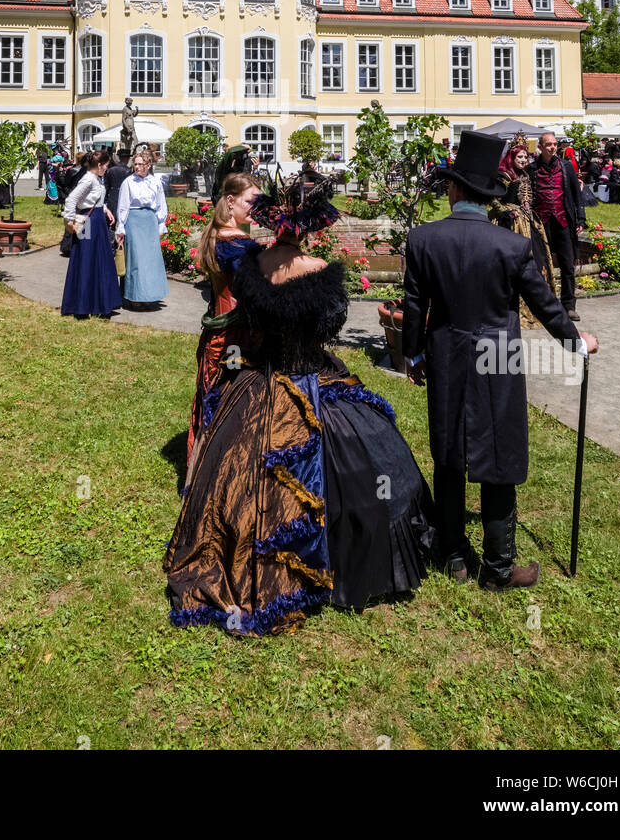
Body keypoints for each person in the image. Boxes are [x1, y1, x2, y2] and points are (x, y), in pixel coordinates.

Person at [165, 172, 435, 635]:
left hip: (257, 380)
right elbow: (328, 329)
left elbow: (246, 317)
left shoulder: (254, 265)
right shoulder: (320, 273)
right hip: (310, 374)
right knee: (365, 461)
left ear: (274, 221)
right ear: (311, 227)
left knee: (233, 473)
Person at [403, 130, 598, 591]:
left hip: (446, 353)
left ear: (453, 189)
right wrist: (576, 343)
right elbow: (547, 303)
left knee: (448, 451)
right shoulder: (511, 246)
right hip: (499, 357)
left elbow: (414, 305)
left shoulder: (424, 239)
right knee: (499, 454)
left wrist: (412, 354)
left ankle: (453, 553)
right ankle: (498, 567)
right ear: (489, 194)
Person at [186, 172, 264, 464]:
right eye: (250, 201)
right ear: (230, 201)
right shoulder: (237, 245)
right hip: (235, 338)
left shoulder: (216, 232)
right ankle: (223, 476)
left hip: (217, 337)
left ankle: (207, 471)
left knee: (217, 399)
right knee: (232, 400)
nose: (255, 208)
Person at [490, 134, 558, 325]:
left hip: (527, 221)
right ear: (511, 158)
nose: (523, 160)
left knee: (536, 259)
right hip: (508, 222)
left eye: (525, 157)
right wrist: (503, 211)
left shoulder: (526, 175)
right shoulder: (503, 175)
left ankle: (537, 304)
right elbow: (493, 197)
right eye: (519, 157)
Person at [527, 132, 586, 322]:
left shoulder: (566, 167)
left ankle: (568, 306)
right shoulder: (531, 169)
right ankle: (544, 304)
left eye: (554, 144)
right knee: (540, 265)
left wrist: (581, 219)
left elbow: (577, 195)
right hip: (541, 223)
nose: (552, 147)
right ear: (540, 147)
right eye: (548, 144)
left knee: (568, 264)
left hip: (563, 221)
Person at [60, 149, 122, 320]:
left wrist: (105, 209)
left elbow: (93, 199)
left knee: (99, 259)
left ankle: (97, 302)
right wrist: (70, 219)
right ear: (100, 165)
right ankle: (83, 304)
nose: (107, 169)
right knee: (86, 259)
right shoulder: (88, 179)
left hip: (97, 220)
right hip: (87, 222)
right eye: (107, 165)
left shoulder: (97, 178)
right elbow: (71, 199)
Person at [115, 147, 168, 309]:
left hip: (150, 222)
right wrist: (121, 226)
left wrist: (161, 224)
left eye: (140, 164)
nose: (137, 167)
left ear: (148, 165)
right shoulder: (128, 182)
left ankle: (149, 295)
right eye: (135, 164)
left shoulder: (155, 182)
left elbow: (161, 204)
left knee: (150, 261)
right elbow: (123, 206)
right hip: (134, 221)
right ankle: (133, 296)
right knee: (135, 260)